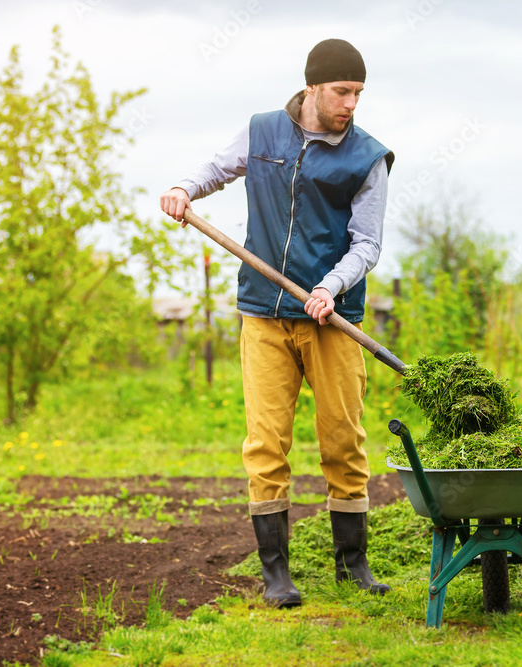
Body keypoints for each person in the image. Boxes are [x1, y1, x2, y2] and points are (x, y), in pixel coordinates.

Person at [160, 38, 394, 608]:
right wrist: (182, 188)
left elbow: (367, 245)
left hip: (331, 320)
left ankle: (352, 566)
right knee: (266, 443)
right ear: (312, 86)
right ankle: (276, 574)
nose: (351, 104)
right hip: (263, 314)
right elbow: (219, 167)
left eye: (359, 93)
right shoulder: (263, 131)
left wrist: (329, 287)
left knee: (343, 439)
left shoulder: (367, 157)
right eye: (342, 91)